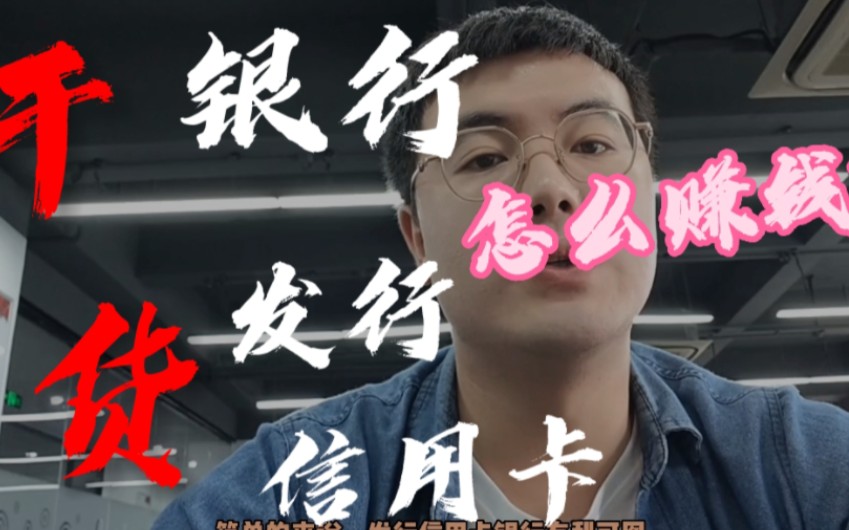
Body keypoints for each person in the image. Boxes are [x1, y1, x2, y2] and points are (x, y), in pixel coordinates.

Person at [153, 6, 849, 529]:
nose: (549, 187)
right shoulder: (292, 487)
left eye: (593, 144)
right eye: (484, 157)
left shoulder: (800, 468)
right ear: (418, 239)